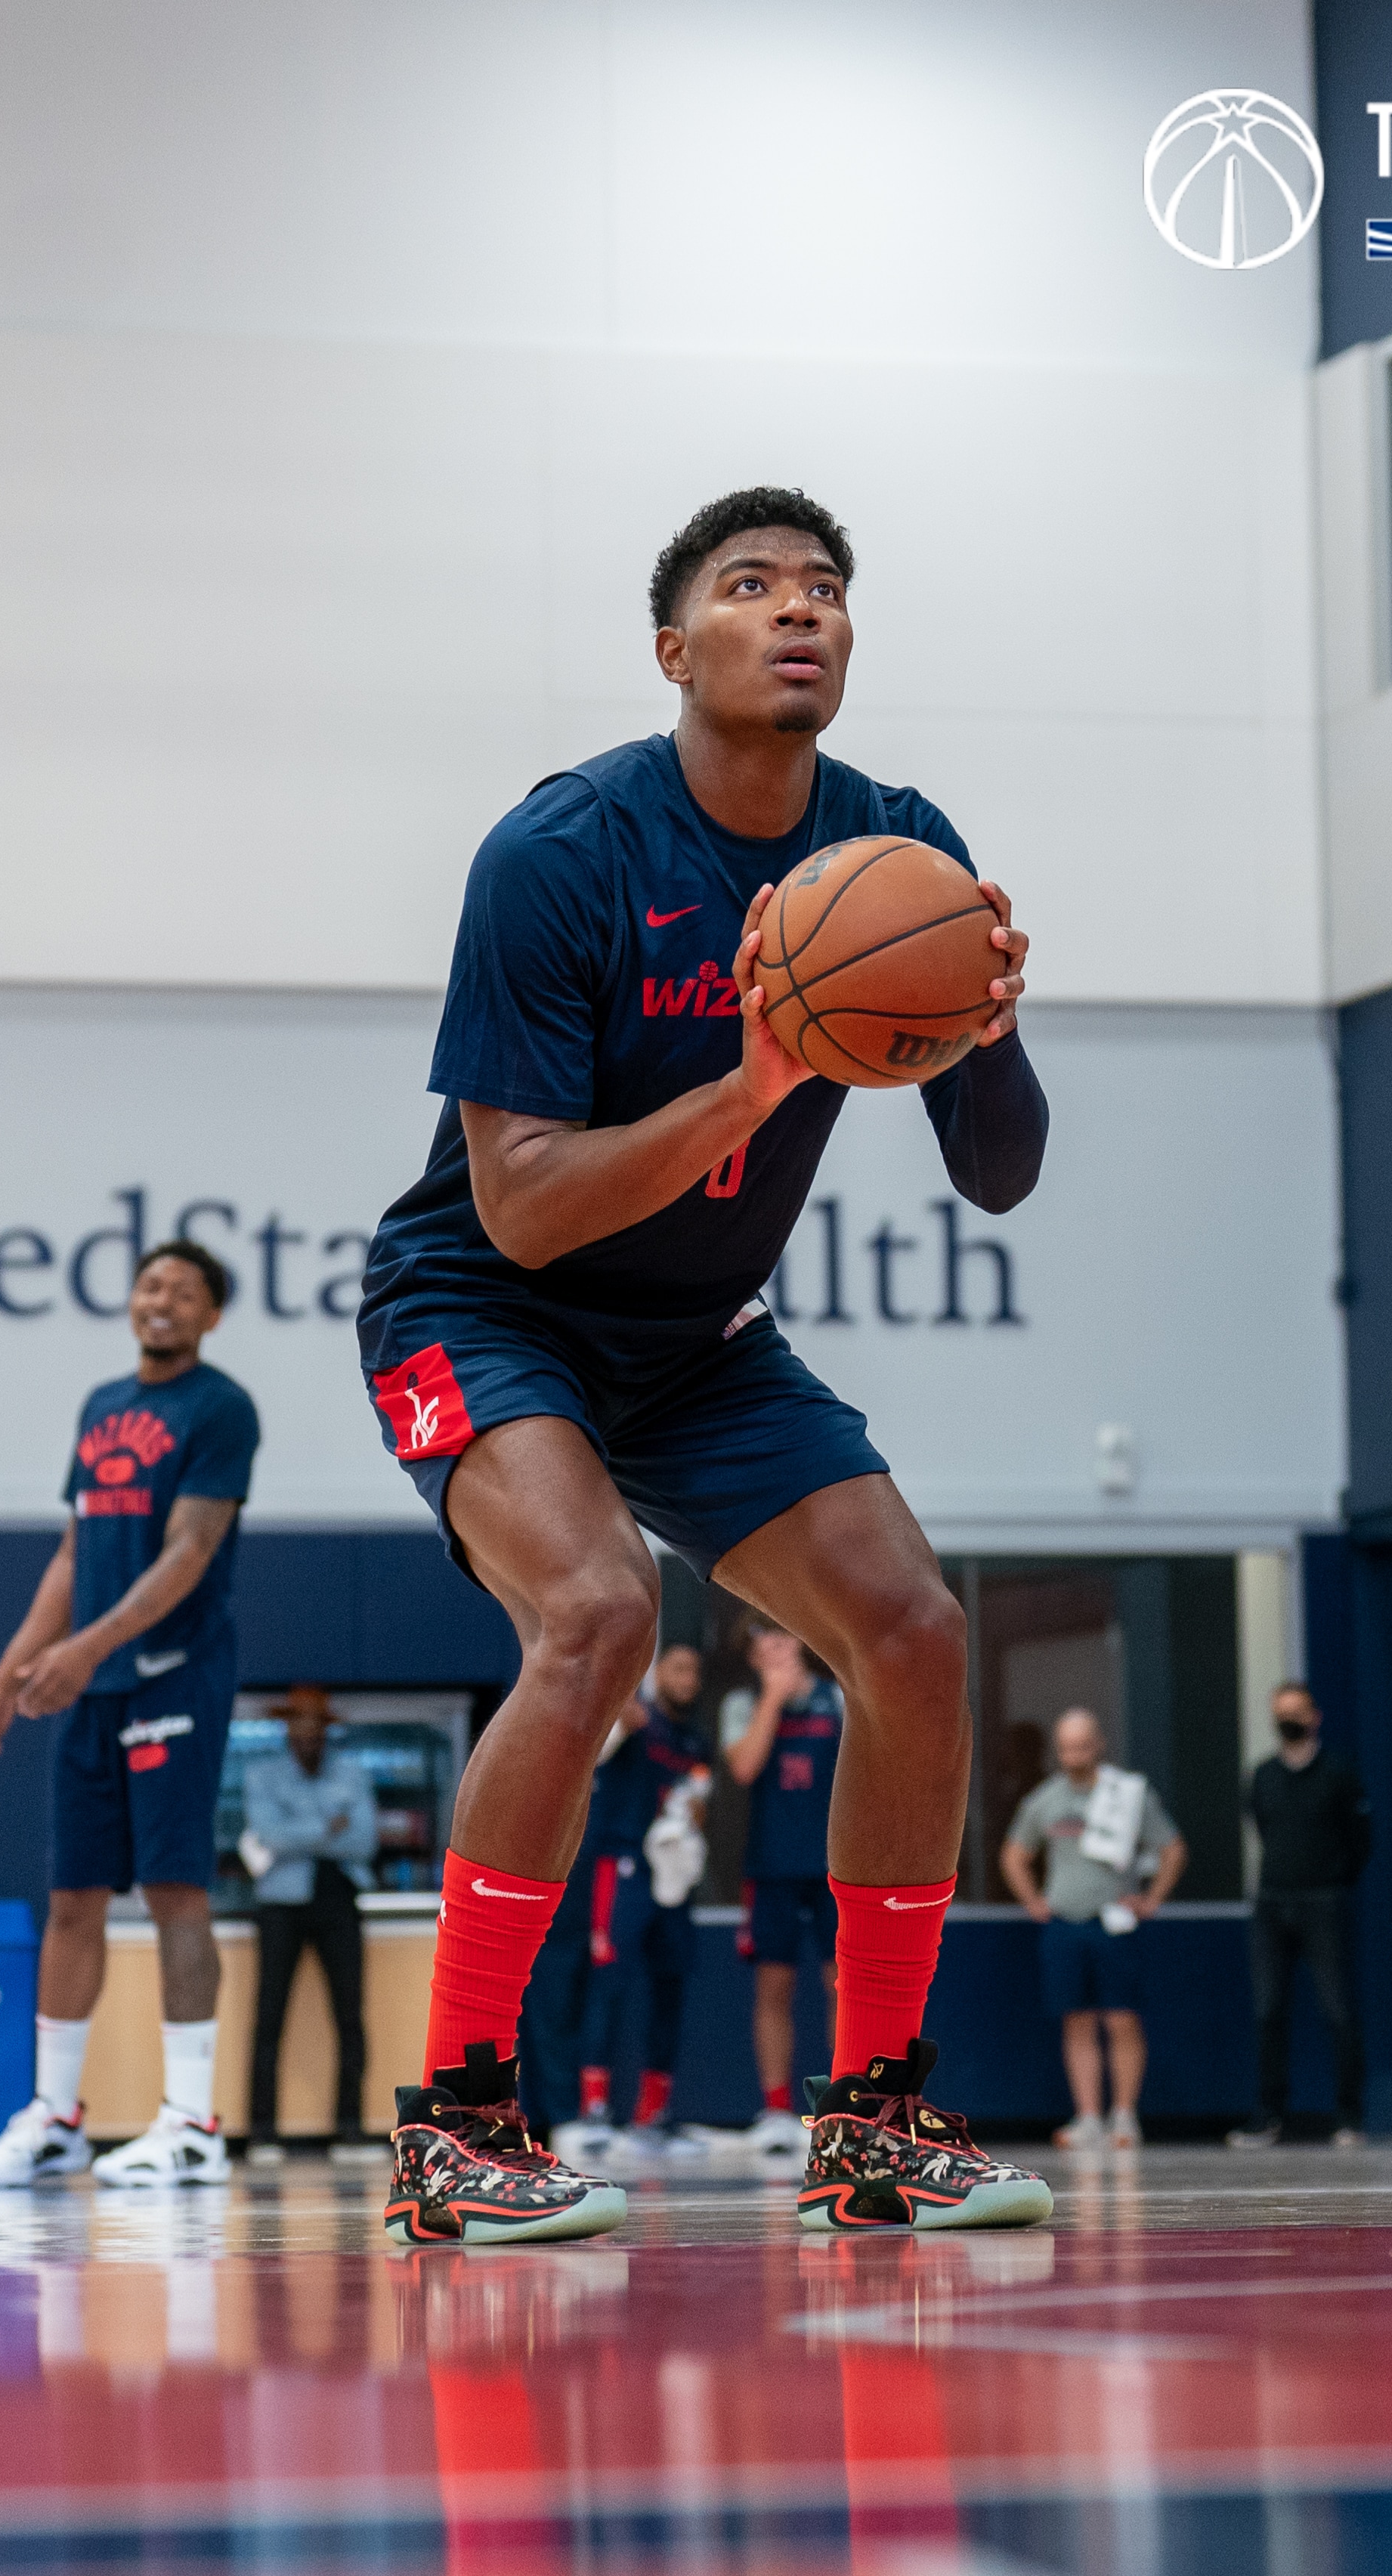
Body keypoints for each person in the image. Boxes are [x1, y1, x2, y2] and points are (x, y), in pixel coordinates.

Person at [357, 486, 1052, 2246]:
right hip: (484, 1308)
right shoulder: (561, 850)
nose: (796, 610)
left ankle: (874, 2117)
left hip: (695, 1337)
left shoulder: (891, 854)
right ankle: (455, 2117)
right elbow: (515, 1208)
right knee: (596, 1615)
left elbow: (996, 1170)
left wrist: (984, 1021)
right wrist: (746, 1084)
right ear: (677, 650)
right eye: (750, 589)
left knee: (909, 1627)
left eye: (822, 588)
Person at [0, 1240, 261, 2188]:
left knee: (174, 1892)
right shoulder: (102, 1408)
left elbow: (190, 1552)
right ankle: (54, 2118)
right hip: (95, 1684)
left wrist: (89, 1650)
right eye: (149, 1285)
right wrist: (5, 1681)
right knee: (74, 1898)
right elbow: (70, 1557)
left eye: (183, 1290)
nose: (160, 1300)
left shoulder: (220, 1408)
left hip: (172, 1675)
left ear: (212, 1315)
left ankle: (193, 2123)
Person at [550, 1643, 713, 2166]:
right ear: (659, 1672)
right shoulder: (635, 1718)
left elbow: (701, 1808)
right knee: (609, 1980)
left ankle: (653, 2116)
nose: (687, 1679)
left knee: (671, 1985)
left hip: (673, 1872)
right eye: (679, 1668)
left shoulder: (694, 1742)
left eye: (695, 1672)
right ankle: (593, 2110)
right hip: (623, 1866)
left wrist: (690, 1823)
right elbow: (599, 1748)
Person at [1001, 1708, 1186, 2148]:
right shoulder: (1044, 1800)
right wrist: (1032, 1899)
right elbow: (1014, 1853)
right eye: (1066, 1747)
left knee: (1122, 2019)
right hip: (1065, 1923)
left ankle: (1124, 2116)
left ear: (1099, 1744)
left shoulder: (1127, 1795)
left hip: (1114, 1923)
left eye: (1082, 1746)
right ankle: (1087, 2117)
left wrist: (1153, 1898)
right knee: (1076, 2022)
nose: (1074, 1755)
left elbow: (1172, 1848)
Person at [240, 1688, 382, 2167]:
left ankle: (350, 2129)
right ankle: (262, 2132)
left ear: (326, 1729)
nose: (306, 1735)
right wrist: (328, 1826)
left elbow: (364, 1841)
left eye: (314, 1726)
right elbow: (267, 1834)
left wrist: (298, 1831)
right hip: (281, 1903)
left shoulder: (353, 1773)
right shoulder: (262, 1774)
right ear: (286, 1731)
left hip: (339, 1897)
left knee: (350, 2015)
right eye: (297, 1726)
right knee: (269, 2015)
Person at [1229, 1683, 1373, 2150]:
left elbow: (1360, 1841)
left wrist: (1334, 1882)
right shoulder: (1264, 1776)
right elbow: (1261, 1828)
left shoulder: (1338, 1773)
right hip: (1273, 1903)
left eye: (1296, 1712)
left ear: (1315, 1716)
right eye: (1280, 1714)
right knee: (1268, 2010)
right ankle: (1270, 2115)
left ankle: (1349, 2116)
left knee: (1338, 2010)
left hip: (1324, 1901)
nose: (1288, 1721)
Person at [725, 1625, 845, 2160]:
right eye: (765, 1646)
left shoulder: (836, 1696)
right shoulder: (742, 1703)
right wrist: (773, 1699)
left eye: (784, 1641)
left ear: (800, 1644)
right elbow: (745, 1766)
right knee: (773, 1987)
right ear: (753, 1658)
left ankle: (844, 2103)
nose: (776, 1652)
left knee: (840, 1984)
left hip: (833, 1865)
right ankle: (777, 2109)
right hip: (772, 1866)